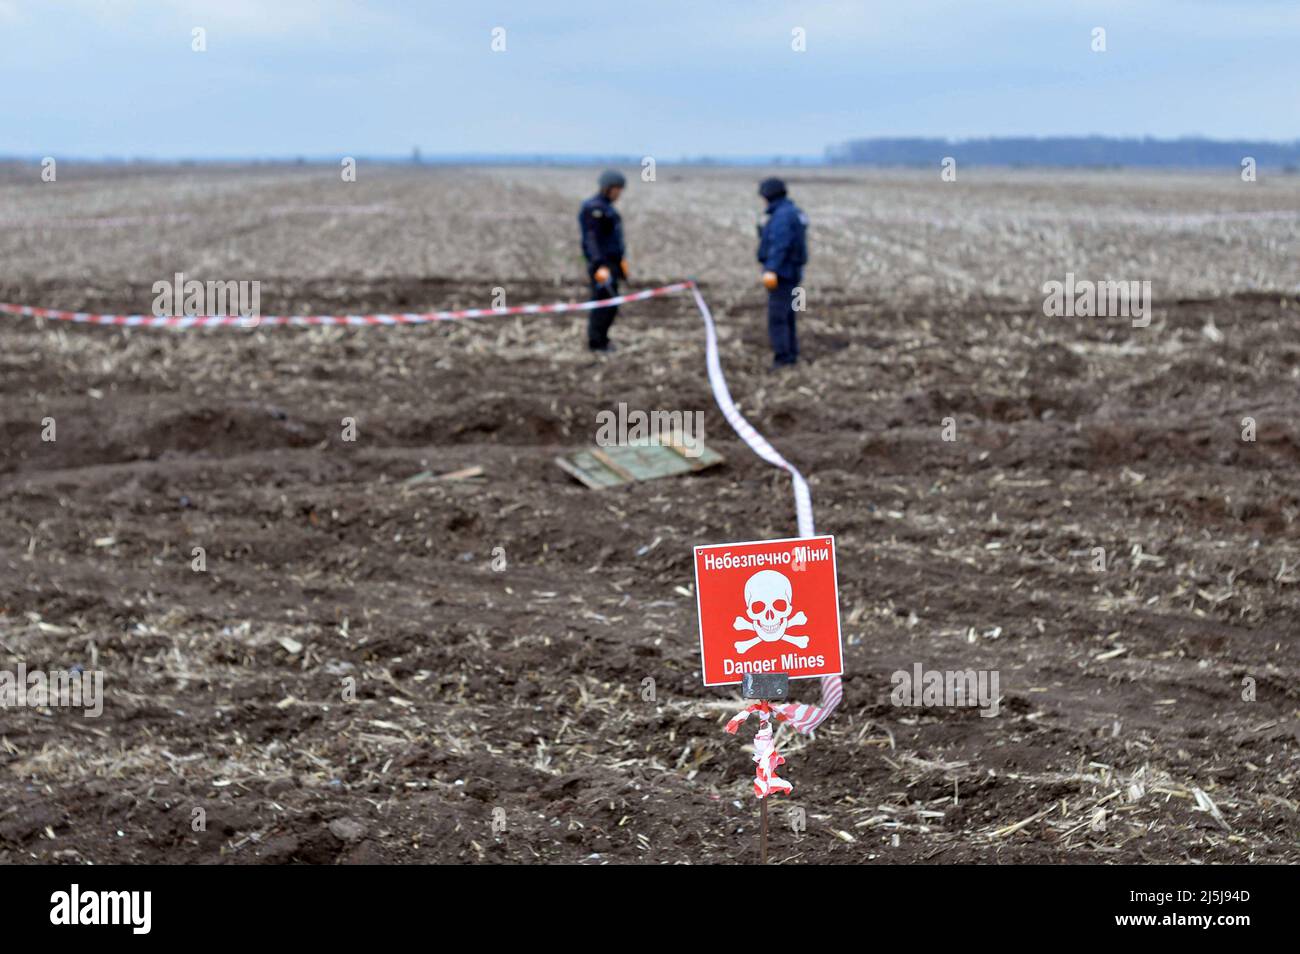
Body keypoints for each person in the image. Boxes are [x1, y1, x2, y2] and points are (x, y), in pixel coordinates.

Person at [755, 177, 808, 369]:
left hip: (782, 275)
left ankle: (783, 358)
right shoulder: (791, 212)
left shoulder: (782, 216)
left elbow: (781, 245)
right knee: (788, 315)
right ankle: (791, 354)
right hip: (791, 273)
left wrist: (771, 270)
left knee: (778, 317)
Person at [578, 170, 628, 352]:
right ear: (608, 188)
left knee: (611, 304)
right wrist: (599, 265)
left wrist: (621, 262)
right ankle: (596, 343)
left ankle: (603, 340)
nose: (619, 194)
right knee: (602, 303)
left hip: (612, 264)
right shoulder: (594, 209)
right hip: (602, 266)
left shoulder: (607, 208)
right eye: (617, 190)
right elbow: (591, 241)